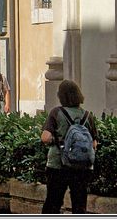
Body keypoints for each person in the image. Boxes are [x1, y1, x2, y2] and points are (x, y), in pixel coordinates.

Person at [41, 80, 99, 214]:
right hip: (82, 166)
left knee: (53, 203)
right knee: (79, 204)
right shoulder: (87, 115)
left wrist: (57, 141)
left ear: (62, 96)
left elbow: (45, 137)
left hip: (58, 164)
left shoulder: (56, 112)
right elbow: (94, 143)